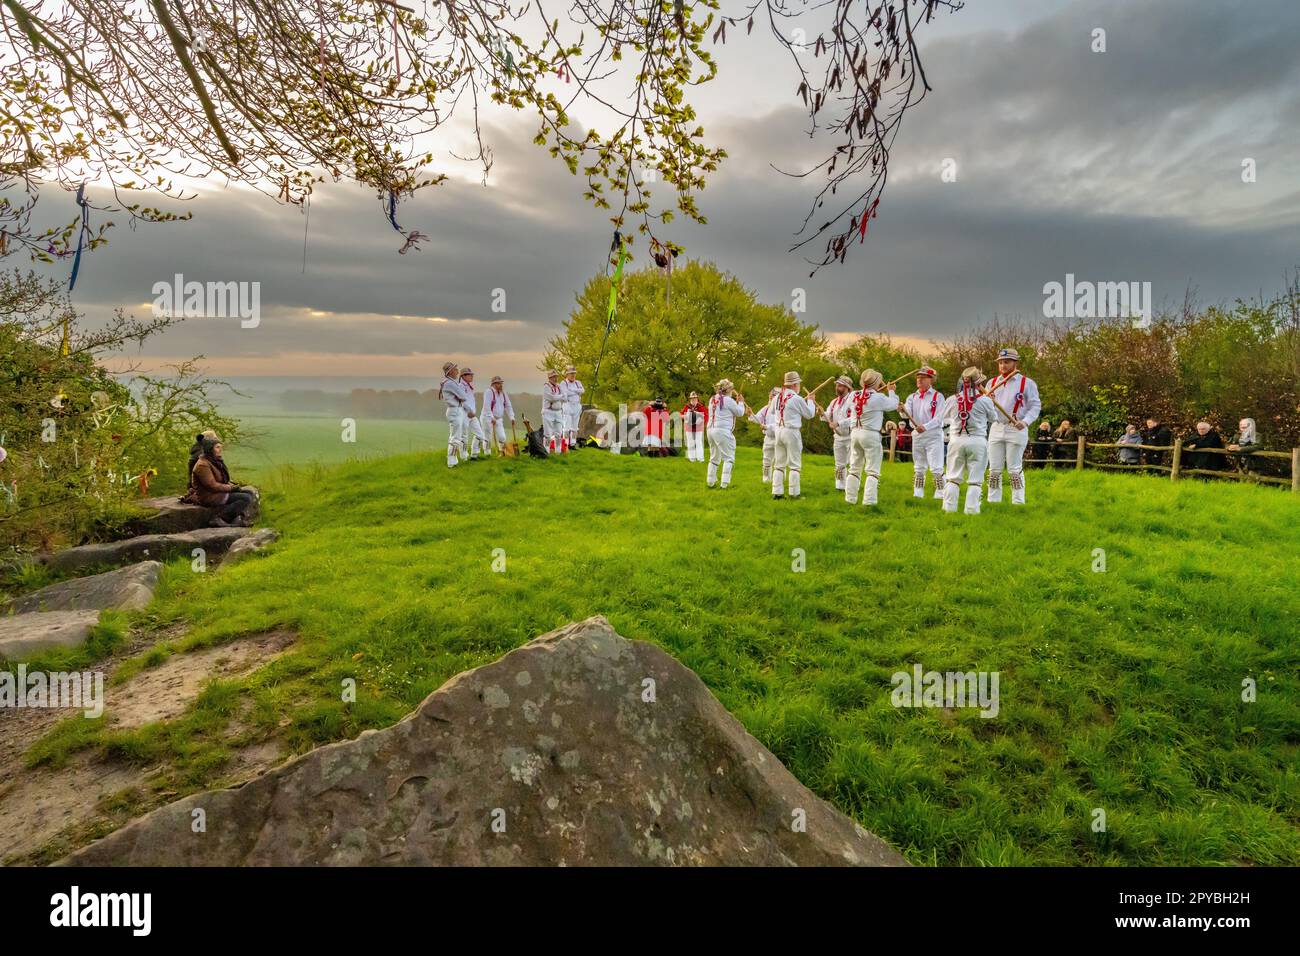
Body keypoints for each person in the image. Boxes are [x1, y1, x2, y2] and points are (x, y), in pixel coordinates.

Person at [984, 347, 1042, 505]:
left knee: (1014, 469)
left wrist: (1025, 422)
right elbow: (986, 410)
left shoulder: (1027, 383)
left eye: (1006, 362)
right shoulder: (992, 383)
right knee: (994, 468)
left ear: (1015, 363)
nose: (1003, 365)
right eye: (1000, 362)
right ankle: (993, 500)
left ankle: (1018, 502)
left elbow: (1035, 406)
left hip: (1016, 428)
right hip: (996, 427)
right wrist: (988, 401)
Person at [940, 367, 998, 515]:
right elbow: (994, 418)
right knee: (975, 479)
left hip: (956, 440)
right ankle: (971, 511)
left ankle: (949, 510)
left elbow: (941, 417)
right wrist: (992, 402)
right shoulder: (985, 400)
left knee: (953, 478)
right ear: (978, 384)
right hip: (977, 441)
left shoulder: (952, 399)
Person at [842, 369, 899, 506]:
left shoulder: (853, 395)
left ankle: (850, 499)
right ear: (877, 383)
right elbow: (893, 405)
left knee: (854, 467)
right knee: (872, 469)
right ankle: (869, 501)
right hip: (870, 434)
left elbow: (852, 406)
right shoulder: (878, 398)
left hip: (855, 433)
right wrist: (891, 391)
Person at [769, 371, 817, 499]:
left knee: (779, 463)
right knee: (794, 464)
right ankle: (794, 494)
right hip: (791, 432)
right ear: (795, 384)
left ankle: (777, 493)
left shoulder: (777, 397)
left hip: (778, 431)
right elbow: (810, 414)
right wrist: (811, 401)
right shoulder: (797, 399)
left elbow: (772, 411)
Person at [190, 437, 256, 527]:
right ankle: (219, 518)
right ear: (209, 449)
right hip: (209, 496)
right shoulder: (202, 465)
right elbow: (211, 485)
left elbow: (221, 479)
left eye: (220, 446)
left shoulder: (213, 460)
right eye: (217, 447)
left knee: (249, 493)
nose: (220, 449)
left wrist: (233, 486)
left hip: (218, 492)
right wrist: (230, 488)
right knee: (245, 498)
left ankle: (237, 519)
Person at [903, 366, 945, 499]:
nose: (919, 379)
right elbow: (906, 415)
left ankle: (941, 492)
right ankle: (918, 493)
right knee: (919, 467)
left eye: (923, 377)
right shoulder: (912, 397)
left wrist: (925, 426)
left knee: (936, 466)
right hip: (917, 434)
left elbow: (939, 418)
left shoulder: (938, 396)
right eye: (918, 377)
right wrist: (901, 410)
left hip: (933, 435)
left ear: (931, 380)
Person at [706, 379, 746, 488]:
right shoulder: (728, 400)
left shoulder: (712, 399)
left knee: (714, 457)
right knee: (729, 458)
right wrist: (741, 402)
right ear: (728, 389)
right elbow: (740, 412)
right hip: (722, 430)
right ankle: (724, 484)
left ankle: (710, 482)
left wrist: (736, 402)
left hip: (710, 430)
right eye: (731, 389)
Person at [822, 375, 854, 491]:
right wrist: (821, 414)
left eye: (840, 385)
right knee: (839, 463)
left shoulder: (853, 399)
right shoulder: (834, 401)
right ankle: (840, 487)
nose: (837, 387)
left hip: (851, 436)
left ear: (847, 387)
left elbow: (854, 418)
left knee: (852, 463)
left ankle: (851, 487)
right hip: (838, 437)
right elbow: (828, 415)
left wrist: (839, 423)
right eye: (837, 385)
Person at [438, 361, 472, 468]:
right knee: (455, 437)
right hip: (455, 410)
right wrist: (460, 395)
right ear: (451, 371)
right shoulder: (450, 383)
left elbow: (461, 396)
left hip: (457, 410)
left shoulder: (451, 382)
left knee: (458, 436)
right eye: (455, 369)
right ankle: (451, 460)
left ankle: (455, 459)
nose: (457, 371)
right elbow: (463, 396)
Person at [749, 386, 780, 483]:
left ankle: (778, 480)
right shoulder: (766, 408)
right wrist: (750, 414)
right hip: (768, 438)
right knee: (766, 459)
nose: (771, 396)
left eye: (774, 395)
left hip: (780, 438)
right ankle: (766, 480)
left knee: (779, 461)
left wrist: (767, 426)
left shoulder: (782, 410)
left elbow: (780, 425)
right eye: (770, 395)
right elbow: (757, 418)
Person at [182, 429, 221, 502]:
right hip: (202, 489)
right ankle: (192, 497)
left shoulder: (196, 452)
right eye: (214, 440)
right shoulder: (202, 455)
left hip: (195, 486)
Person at [459, 367, 488, 459]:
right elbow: (462, 401)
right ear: (463, 376)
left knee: (480, 435)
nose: (472, 376)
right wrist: (469, 411)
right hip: (464, 414)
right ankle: (464, 457)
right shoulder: (460, 386)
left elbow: (471, 401)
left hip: (472, 415)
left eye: (472, 374)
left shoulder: (469, 386)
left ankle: (474, 454)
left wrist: (473, 412)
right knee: (464, 436)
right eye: (470, 374)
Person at [483, 375, 515, 454]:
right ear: (494, 384)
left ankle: (502, 452)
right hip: (487, 417)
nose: (501, 385)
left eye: (501, 383)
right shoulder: (489, 392)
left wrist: (512, 417)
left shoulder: (503, 393)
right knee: (488, 437)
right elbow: (486, 406)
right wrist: (491, 417)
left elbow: (508, 405)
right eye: (499, 383)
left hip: (499, 419)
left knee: (502, 437)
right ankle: (487, 453)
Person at [560, 365, 585, 451]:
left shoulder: (578, 382)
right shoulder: (563, 383)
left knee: (575, 427)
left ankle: (573, 444)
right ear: (567, 374)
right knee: (566, 427)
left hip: (577, 406)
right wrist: (576, 391)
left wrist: (572, 391)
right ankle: (565, 444)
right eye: (571, 373)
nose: (573, 375)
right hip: (568, 405)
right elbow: (565, 393)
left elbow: (582, 390)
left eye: (574, 373)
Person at [542, 369, 566, 453]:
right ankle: (546, 451)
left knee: (558, 433)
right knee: (548, 434)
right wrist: (560, 396)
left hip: (558, 412)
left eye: (556, 377)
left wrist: (558, 396)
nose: (555, 378)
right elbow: (551, 398)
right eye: (553, 377)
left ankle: (558, 452)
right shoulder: (546, 386)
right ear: (549, 378)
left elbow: (565, 397)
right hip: (548, 411)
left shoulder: (559, 386)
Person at [682, 392, 708, 463]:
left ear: (697, 399)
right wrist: (683, 416)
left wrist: (702, 420)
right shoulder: (687, 406)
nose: (693, 400)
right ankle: (692, 458)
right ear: (690, 399)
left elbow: (706, 415)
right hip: (689, 427)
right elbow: (681, 414)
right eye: (692, 398)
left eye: (695, 398)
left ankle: (700, 458)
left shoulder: (701, 406)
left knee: (698, 442)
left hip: (698, 427)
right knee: (690, 442)